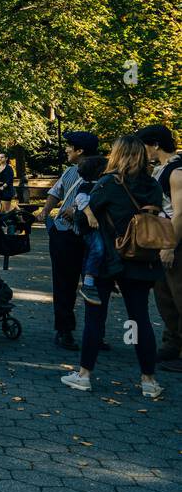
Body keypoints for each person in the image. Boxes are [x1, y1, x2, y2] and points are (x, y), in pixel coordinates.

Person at [60, 136, 165, 398]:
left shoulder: (108, 183)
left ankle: (84, 374)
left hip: (107, 259)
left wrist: (78, 213)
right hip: (141, 259)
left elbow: (87, 220)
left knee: (95, 317)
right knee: (140, 319)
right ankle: (149, 380)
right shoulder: (151, 185)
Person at [40, 131, 100, 350]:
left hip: (91, 236)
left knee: (95, 285)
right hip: (64, 233)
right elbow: (56, 192)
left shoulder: (105, 174)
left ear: (80, 150)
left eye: (69, 146)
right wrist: (46, 210)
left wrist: (78, 210)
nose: (66, 149)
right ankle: (64, 330)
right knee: (64, 283)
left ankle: (95, 332)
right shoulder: (69, 172)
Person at [137, 124, 182, 372]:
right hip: (159, 241)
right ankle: (171, 344)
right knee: (165, 297)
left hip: (174, 242)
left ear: (155, 144)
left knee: (179, 295)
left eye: (144, 147)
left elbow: (180, 213)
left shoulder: (177, 172)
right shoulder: (159, 170)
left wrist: (170, 245)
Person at [71, 155, 110, 308]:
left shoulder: (98, 183)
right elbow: (80, 200)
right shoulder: (87, 185)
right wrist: (90, 215)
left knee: (100, 248)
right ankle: (88, 281)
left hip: (95, 226)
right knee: (97, 248)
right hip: (89, 226)